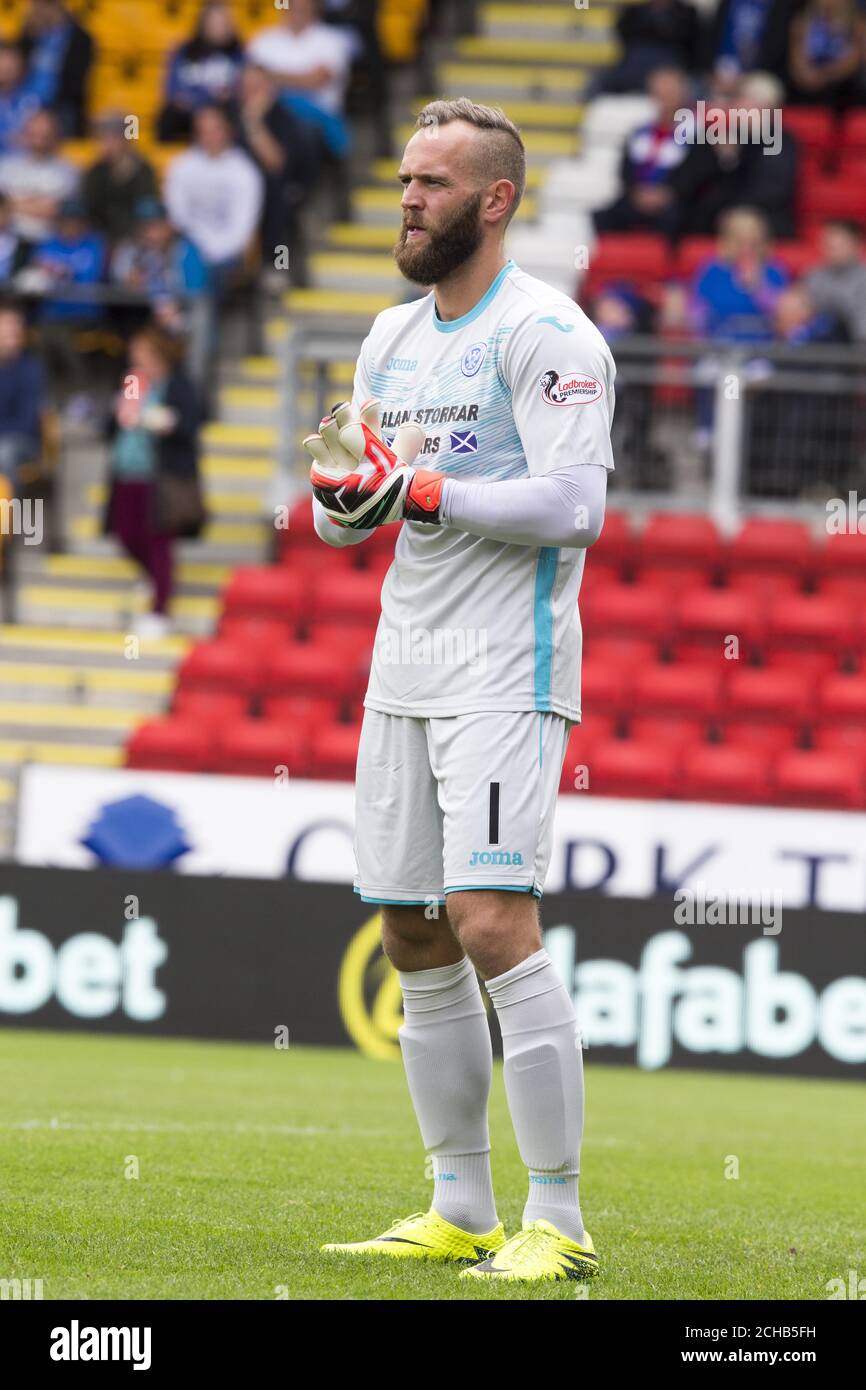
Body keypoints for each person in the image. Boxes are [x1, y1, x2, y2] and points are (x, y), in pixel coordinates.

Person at [304, 98, 614, 1283]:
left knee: (489, 919)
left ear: (494, 200)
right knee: (412, 928)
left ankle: (559, 1220)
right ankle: (459, 1205)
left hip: (501, 666)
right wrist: (345, 497)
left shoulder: (547, 333)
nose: (407, 200)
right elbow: (350, 519)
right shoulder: (389, 337)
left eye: (431, 183)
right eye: (403, 179)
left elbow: (574, 507)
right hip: (403, 663)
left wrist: (423, 492)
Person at [104, 327, 203, 638]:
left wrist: (163, 421)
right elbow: (113, 426)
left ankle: (160, 609)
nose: (136, 358)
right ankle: (155, 578)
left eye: (143, 352)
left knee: (158, 541)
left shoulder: (177, 384)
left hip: (161, 478)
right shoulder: (132, 382)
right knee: (125, 534)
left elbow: (190, 425)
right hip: (127, 472)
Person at [673, 72, 799, 238]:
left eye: (743, 99)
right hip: (714, 215)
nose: (735, 105)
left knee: (743, 223)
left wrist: (733, 206)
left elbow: (772, 190)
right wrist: (724, 160)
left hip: (763, 215)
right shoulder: (722, 134)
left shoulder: (780, 140)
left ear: (766, 108)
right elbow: (691, 177)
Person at [230, 63, 318, 290]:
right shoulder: (228, 112)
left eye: (256, 87)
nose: (249, 93)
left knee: (276, 195)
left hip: (278, 189)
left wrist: (253, 122)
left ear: (268, 90)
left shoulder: (283, 117)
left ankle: (278, 265)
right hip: (233, 187)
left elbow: (276, 163)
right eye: (245, 87)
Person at [163, 103, 263, 297]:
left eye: (215, 130)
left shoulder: (245, 171)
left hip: (226, 253)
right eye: (204, 131)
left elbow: (243, 227)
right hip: (189, 246)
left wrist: (212, 251)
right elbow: (176, 214)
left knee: (205, 272)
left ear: (228, 131)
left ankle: (195, 311)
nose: (210, 137)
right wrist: (198, 246)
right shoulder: (182, 165)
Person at [593, 67, 693, 239]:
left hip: (675, 201)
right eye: (660, 94)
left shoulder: (695, 134)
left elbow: (695, 173)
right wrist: (638, 193)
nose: (665, 100)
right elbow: (625, 170)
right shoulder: (640, 133)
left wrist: (667, 194)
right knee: (604, 216)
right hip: (638, 198)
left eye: (670, 93)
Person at [111, 197, 208, 335]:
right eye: (143, 227)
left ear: (168, 226)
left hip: (182, 322)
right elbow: (119, 279)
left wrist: (172, 308)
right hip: (142, 319)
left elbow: (194, 295)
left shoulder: (187, 251)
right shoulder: (135, 250)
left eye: (154, 226)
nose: (148, 233)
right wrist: (129, 281)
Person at [691, 207, 787, 343]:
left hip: (763, 350)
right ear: (725, 242)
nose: (747, 249)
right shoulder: (712, 272)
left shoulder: (774, 272)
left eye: (754, 243)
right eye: (740, 242)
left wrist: (759, 288)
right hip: (718, 347)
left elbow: (784, 315)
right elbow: (697, 313)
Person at [157, 0, 244, 143]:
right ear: (203, 23)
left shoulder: (239, 53)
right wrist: (203, 102)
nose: (219, 27)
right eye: (214, 22)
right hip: (189, 112)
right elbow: (172, 89)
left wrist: (217, 100)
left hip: (223, 112)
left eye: (223, 22)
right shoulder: (184, 51)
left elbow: (240, 89)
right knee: (168, 116)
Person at [16, 0, 94, 137]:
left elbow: (76, 83)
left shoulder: (79, 38)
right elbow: (16, 64)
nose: (34, 12)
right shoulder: (31, 35)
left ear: (54, 7)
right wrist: (28, 35)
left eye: (38, 7)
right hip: (26, 101)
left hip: (61, 105)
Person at [0, 107, 77, 246]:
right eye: (34, 134)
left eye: (45, 135)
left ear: (55, 136)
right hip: (8, 239)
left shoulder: (67, 171)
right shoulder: (6, 167)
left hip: (50, 243)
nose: (39, 141)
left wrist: (14, 203)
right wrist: (40, 203)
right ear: (25, 134)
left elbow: (56, 210)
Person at [81, 111, 158, 244]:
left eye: (113, 138)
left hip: (135, 238)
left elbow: (146, 207)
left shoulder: (142, 170)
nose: (107, 144)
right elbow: (89, 205)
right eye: (103, 139)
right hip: (100, 237)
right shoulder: (97, 171)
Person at [595, 0, 701, 96]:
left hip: (670, 67)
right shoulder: (634, 11)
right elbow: (624, 32)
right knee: (599, 82)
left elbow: (686, 38)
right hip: (634, 67)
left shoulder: (686, 12)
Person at [788, 0, 866, 110]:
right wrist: (807, 74)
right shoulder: (803, 21)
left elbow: (855, 59)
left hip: (841, 84)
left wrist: (826, 76)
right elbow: (797, 55)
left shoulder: (856, 21)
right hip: (808, 81)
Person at [0, 302, 44, 485]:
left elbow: (27, 422)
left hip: (22, 441)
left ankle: (8, 504)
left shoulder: (31, 370)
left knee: (4, 452)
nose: (11, 333)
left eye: (15, 329)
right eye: (5, 329)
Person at [806, 219, 866, 342]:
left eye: (841, 245)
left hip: (855, 346)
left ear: (856, 245)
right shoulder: (813, 276)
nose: (834, 251)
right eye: (829, 246)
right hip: (815, 346)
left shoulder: (863, 279)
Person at [0, 41, 43, 156]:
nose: (5, 72)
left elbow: (38, 136)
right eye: (3, 66)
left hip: (22, 161)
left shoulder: (32, 100)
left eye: (10, 67)